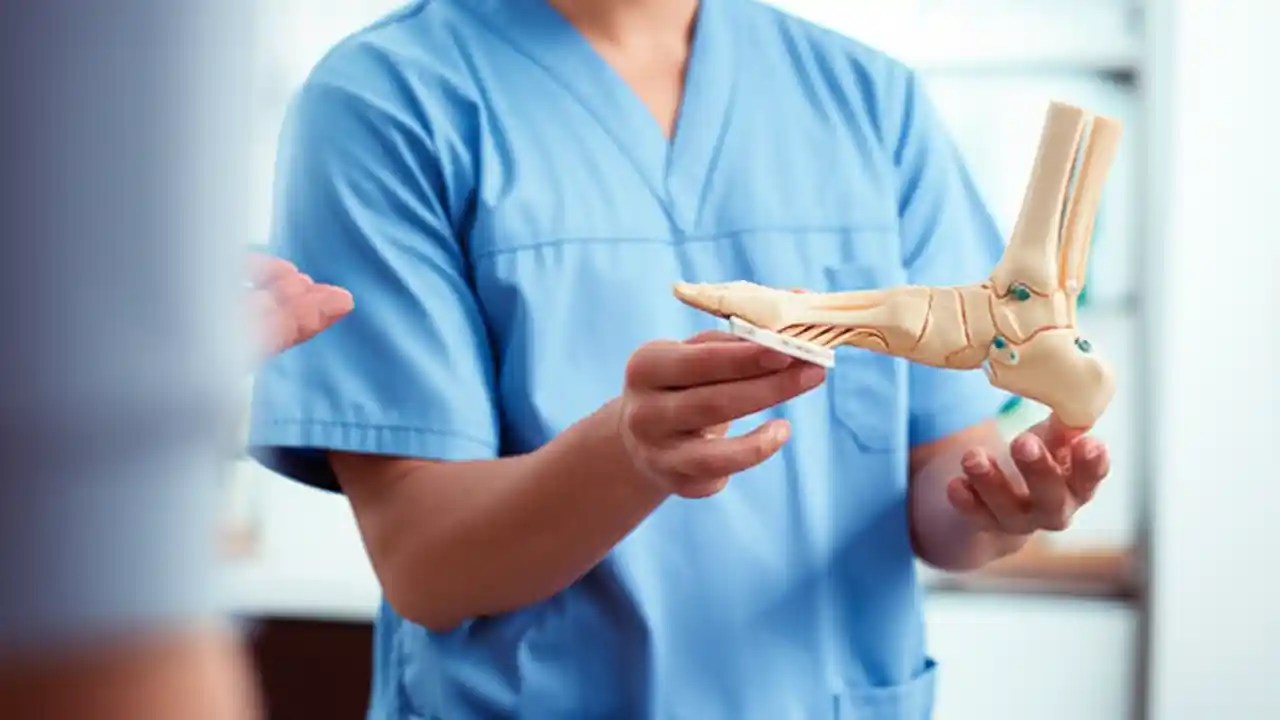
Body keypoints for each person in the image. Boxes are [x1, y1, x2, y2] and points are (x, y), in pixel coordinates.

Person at [249, 0, 1112, 717]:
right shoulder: (387, 100)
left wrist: (1000, 505)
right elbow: (426, 562)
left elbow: (941, 488)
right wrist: (628, 456)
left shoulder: (869, 100)